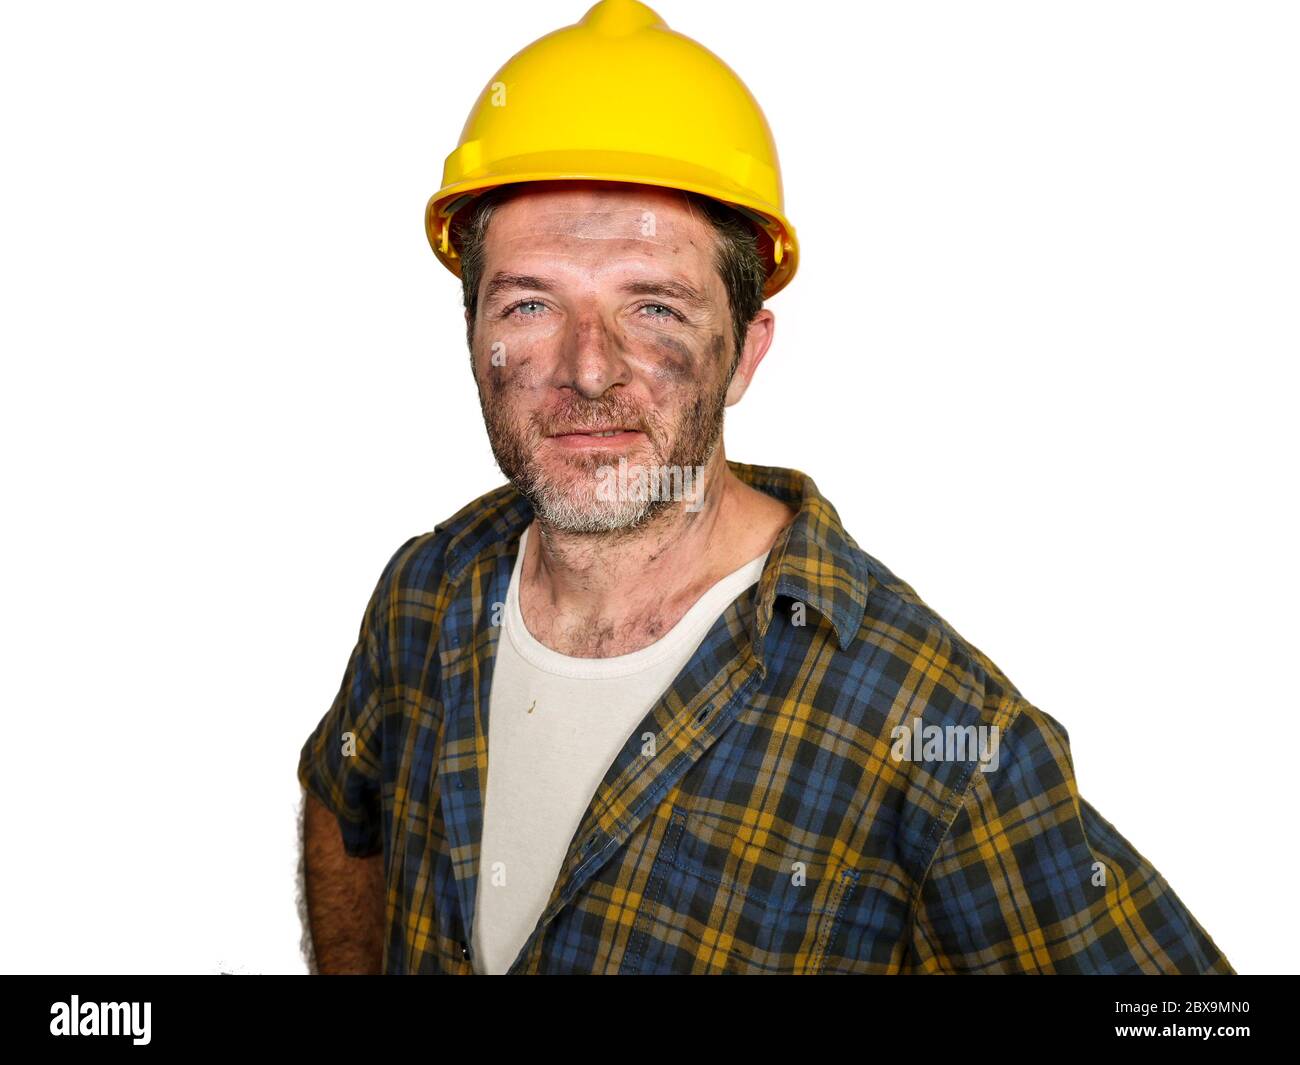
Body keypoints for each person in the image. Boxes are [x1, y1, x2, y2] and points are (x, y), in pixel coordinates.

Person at [298, 0, 1232, 975]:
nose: (585, 370)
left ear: (744, 353)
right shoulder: (427, 590)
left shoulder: (937, 733)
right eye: (530, 303)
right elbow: (342, 795)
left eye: (653, 307)